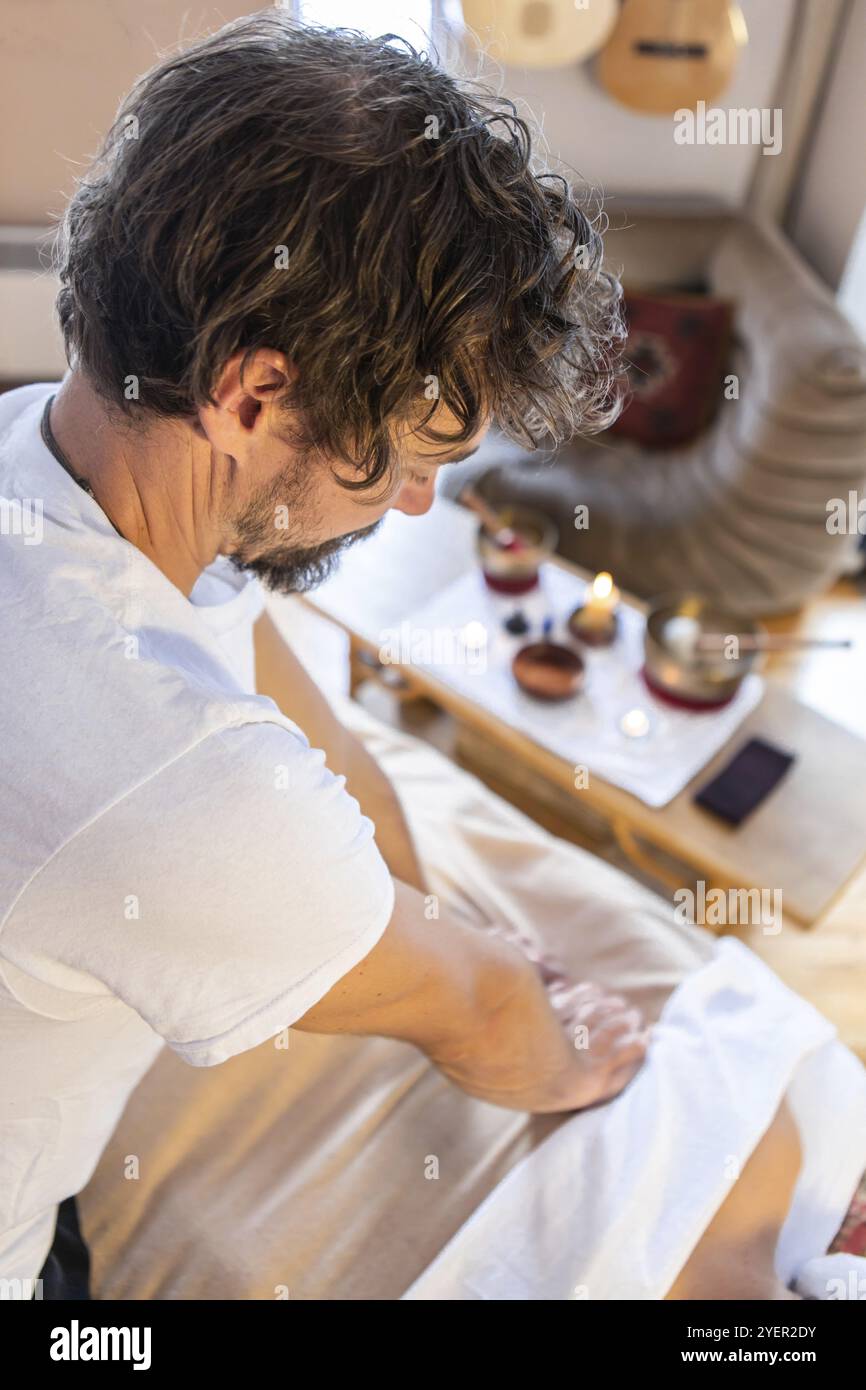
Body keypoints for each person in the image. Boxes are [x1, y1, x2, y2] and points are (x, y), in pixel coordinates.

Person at [2, 13, 799, 1302]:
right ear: (254, 394)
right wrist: (570, 1039)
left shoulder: (62, 452)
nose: (420, 506)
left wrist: (408, 897)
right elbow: (492, 1026)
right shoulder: (184, 793)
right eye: (416, 462)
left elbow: (290, 697)